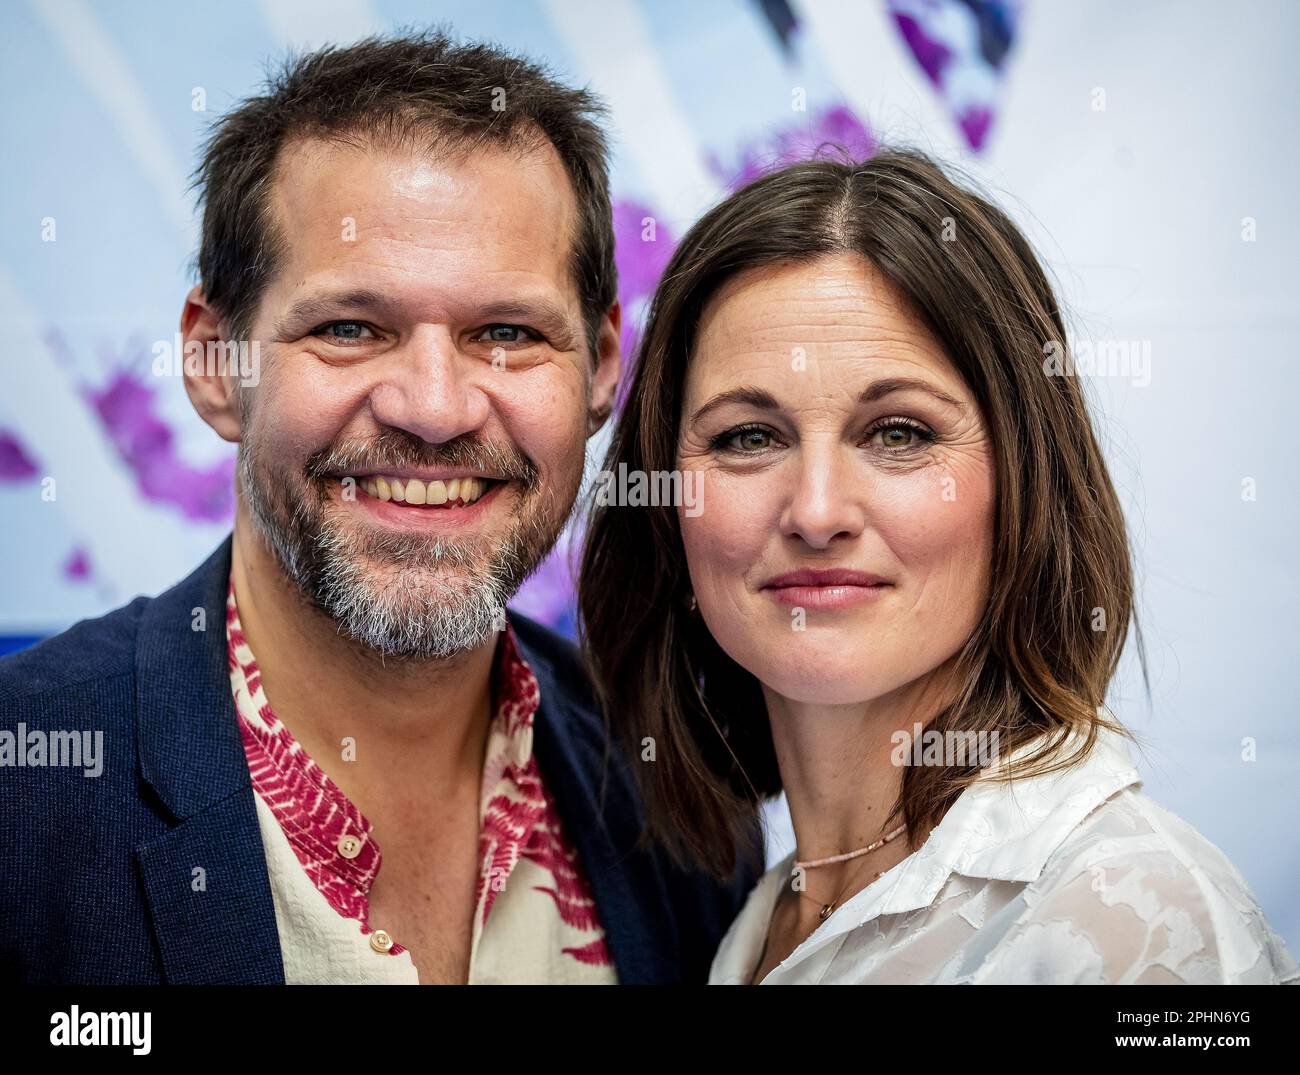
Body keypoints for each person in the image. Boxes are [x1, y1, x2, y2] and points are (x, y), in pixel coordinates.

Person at [0, 31, 756, 985]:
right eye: (351, 328)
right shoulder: (22, 793)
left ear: (602, 365)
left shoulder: (682, 807)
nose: (434, 409)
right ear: (214, 361)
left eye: (508, 333)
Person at [579, 148, 1300, 985]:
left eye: (898, 433)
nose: (816, 511)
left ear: (1024, 484)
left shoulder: (1136, 920)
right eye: (750, 437)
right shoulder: (752, 923)